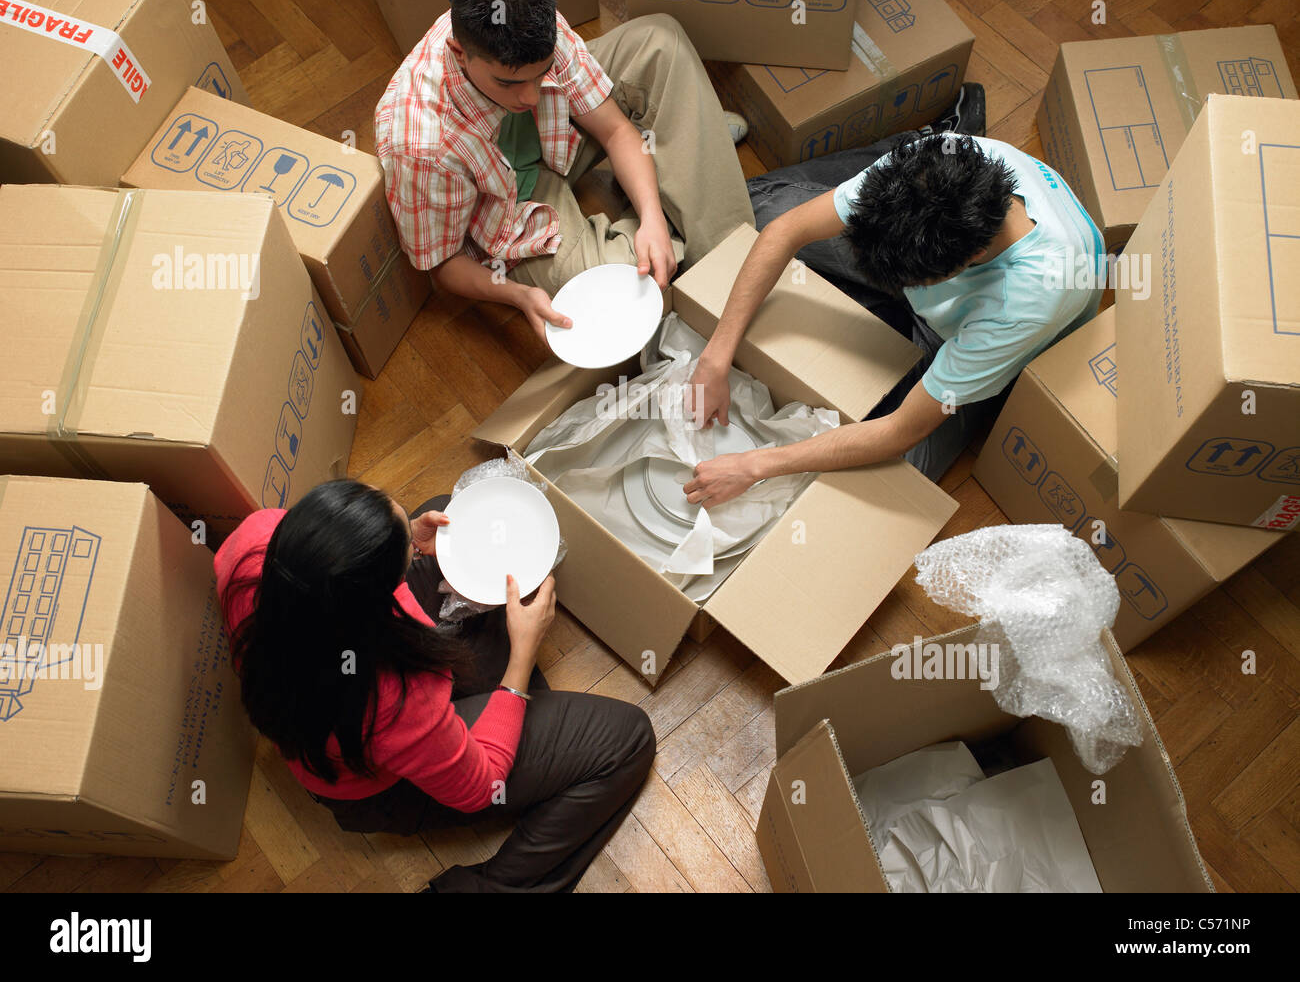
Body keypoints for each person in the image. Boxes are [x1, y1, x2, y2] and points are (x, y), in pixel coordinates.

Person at [214, 478, 655, 893]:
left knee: (444, 516)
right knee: (628, 739)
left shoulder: (255, 543)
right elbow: (480, 786)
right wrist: (522, 655)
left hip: (336, 706)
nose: (411, 543)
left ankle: (519, 711)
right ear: (375, 606)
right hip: (377, 783)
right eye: (401, 559)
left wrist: (407, 534)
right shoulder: (399, 696)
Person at [682, 86, 1105, 504]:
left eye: (915, 283)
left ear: (969, 260)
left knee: (899, 477)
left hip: (966, 335)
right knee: (754, 209)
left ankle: (898, 318)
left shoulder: (1025, 302)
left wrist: (755, 466)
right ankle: (893, 295)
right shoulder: (932, 160)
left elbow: (901, 431)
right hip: (936, 254)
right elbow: (787, 230)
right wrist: (716, 356)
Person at [375, 0, 753, 346]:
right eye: (509, 83)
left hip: (557, 135)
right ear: (459, 54)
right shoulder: (419, 147)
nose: (531, 97)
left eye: (541, 75)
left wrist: (652, 216)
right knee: (617, 285)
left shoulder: (532, 24)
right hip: (502, 212)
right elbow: (443, 265)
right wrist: (519, 295)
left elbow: (614, 131)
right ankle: (690, 161)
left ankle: (726, 251)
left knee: (659, 40)